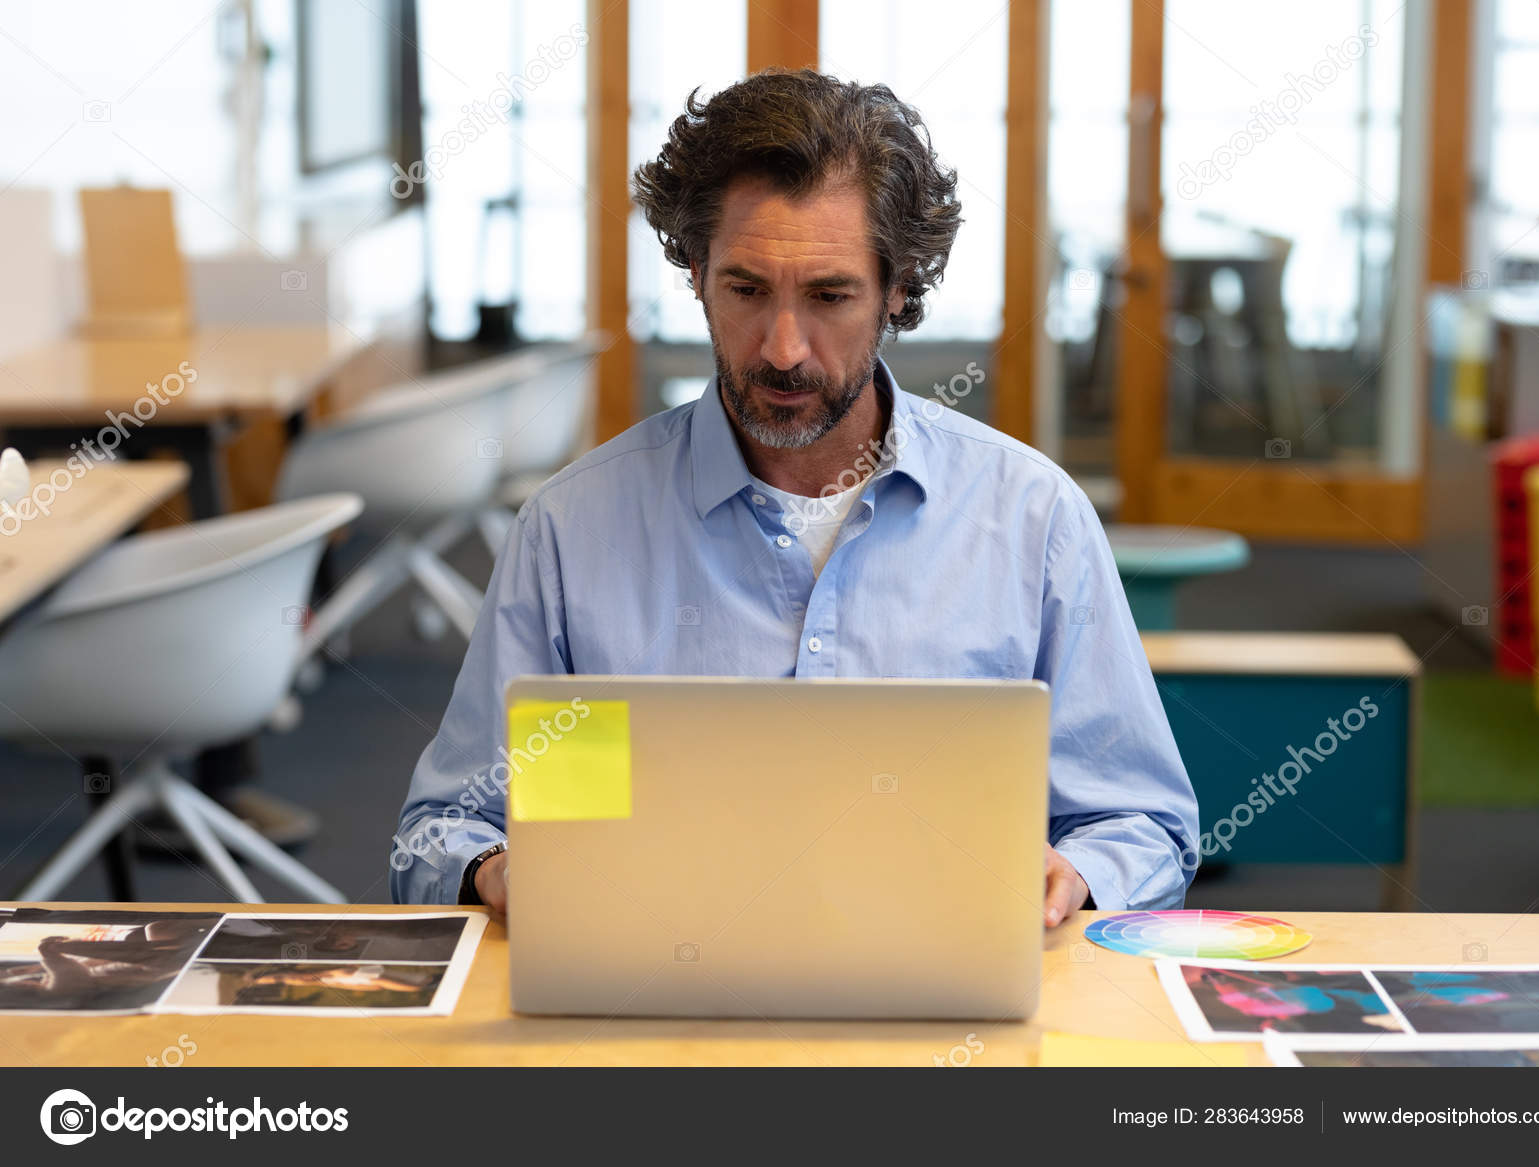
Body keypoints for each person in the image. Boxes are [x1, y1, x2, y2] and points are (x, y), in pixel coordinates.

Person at [392, 69, 1197, 924]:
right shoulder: (571, 529)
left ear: (898, 286)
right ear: (696, 272)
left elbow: (1142, 823)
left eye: (829, 296)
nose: (782, 349)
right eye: (745, 290)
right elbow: (441, 829)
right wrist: (498, 868)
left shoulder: (1034, 518)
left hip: (941, 1022)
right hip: (655, 1013)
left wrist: (1077, 874)